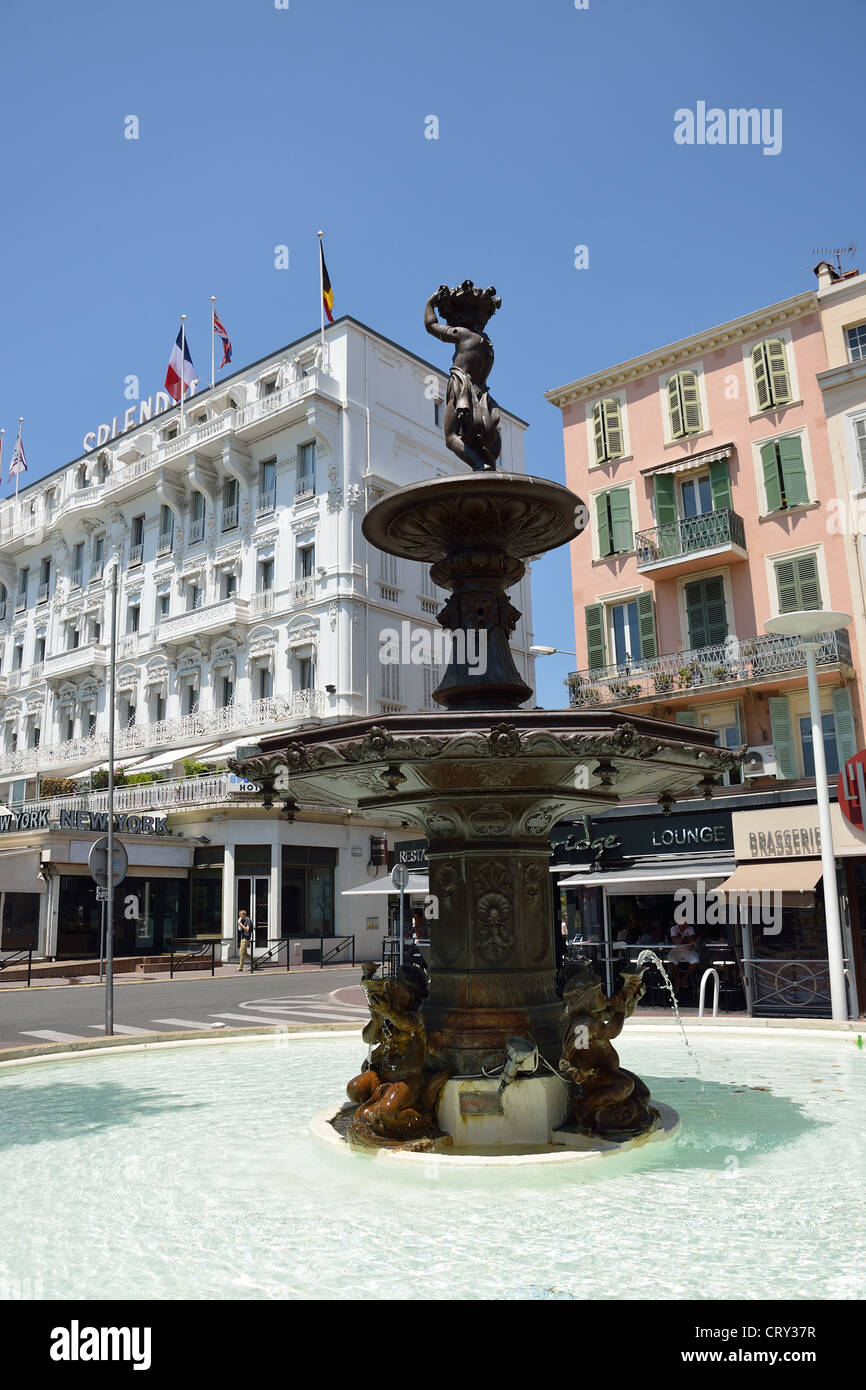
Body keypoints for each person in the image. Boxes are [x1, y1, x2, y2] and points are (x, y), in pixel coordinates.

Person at [667, 919, 700, 993]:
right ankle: (678, 981)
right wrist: (687, 939)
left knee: (696, 961)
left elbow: (693, 939)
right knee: (671, 962)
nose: (683, 924)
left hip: (688, 950)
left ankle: (685, 978)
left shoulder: (690, 928)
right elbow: (675, 941)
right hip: (676, 950)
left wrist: (681, 939)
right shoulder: (673, 928)